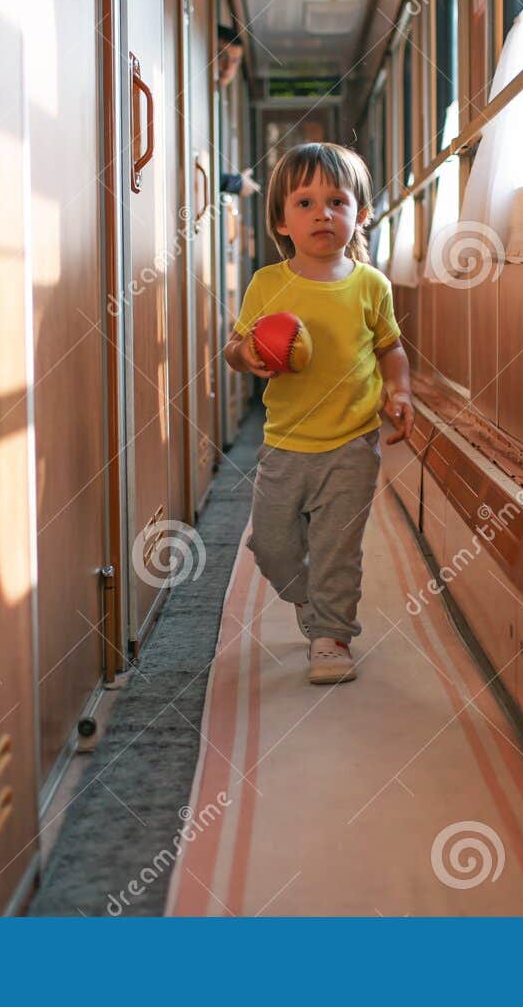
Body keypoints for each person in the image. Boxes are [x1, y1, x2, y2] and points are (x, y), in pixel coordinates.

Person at [224, 143, 414, 685]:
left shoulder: (370, 285)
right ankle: (311, 599)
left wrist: (400, 391)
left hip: (352, 443)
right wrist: (246, 356)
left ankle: (331, 635)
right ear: (282, 222)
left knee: (337, 548)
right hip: (285, 442)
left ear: (361, 213)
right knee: (272, 546)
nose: (322, 214)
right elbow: (234, 347)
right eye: (305, 203)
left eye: (337, 201)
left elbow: (390, 349)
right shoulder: (267, 284)